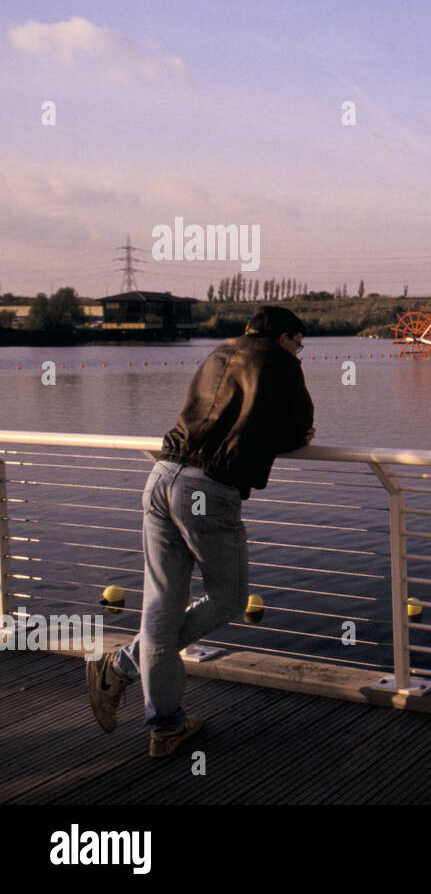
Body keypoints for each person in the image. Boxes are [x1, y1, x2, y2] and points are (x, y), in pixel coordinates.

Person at [87, 307, 315, 757]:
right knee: (228, 597)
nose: (298, 351)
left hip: (161, 476)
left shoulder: (216, 352)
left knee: (160, 608)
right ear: (287, 337)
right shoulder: (281, 362)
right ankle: (125, 665)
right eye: (299, 343)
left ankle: (166, 725)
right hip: (208, 489)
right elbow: (295, 429)